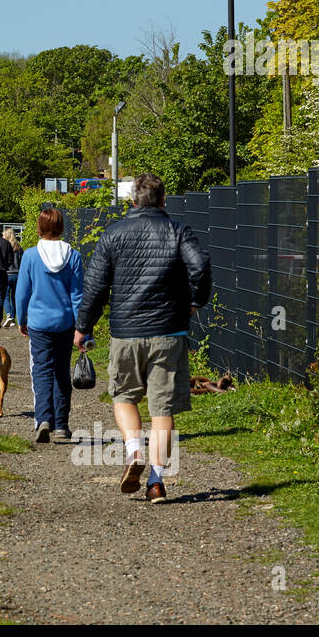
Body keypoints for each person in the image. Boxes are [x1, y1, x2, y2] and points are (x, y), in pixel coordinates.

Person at [76, 172, 212, 503]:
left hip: (126, 332)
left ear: (133, 201)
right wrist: (195, 302)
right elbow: (201, 267)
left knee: (123, 396)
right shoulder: (179, 231)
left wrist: (84, 326)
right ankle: (156, 482)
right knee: (162, 408)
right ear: (163, 200)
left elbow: (95, 286)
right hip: (169, 332)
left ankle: (134, 450)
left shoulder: (113, 234)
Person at [15, 206, 84, 443]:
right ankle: (62, 425)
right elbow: (77, 296)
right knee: (62, 371)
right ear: (61, 227)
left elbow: (22, 293)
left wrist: (21, 319)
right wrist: (80, 327)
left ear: (40, 227)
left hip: (39, 323)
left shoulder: (31, 256)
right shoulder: (73, 256)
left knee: (42, 370)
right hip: (65, 323)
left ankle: (44, 419)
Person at [2, 227, 24, 327]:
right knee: (14, 297)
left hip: (7, 274)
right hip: (17, 275)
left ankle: (9, 316)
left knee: (5, 295)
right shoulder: (19, 248)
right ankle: (13, 319)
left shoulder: (4, 247)